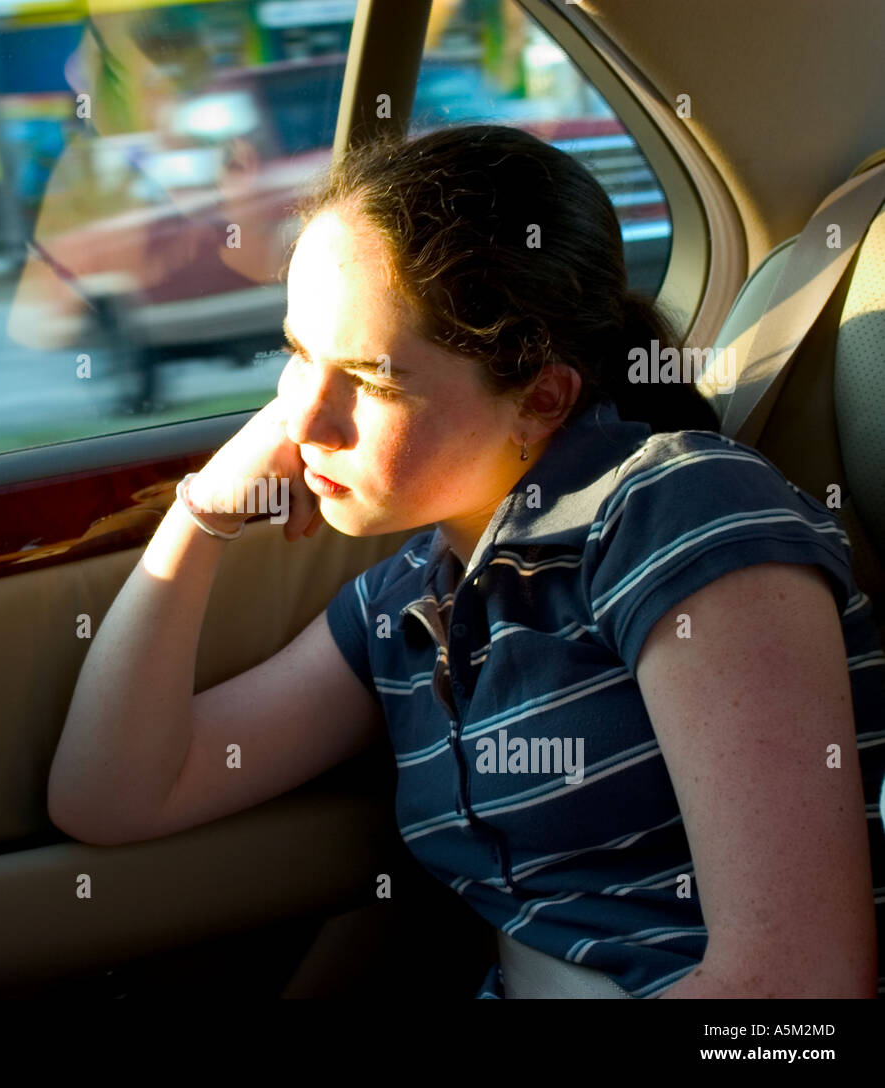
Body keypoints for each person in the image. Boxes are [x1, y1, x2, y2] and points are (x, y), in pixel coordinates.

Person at [48, 124, 885, 998]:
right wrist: (204, 513)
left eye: (368, 380)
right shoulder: (409, 604)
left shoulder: (681, 514)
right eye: (298, 355)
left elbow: (798, 989)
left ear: (541, 398)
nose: (304, 422)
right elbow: (115, 796)